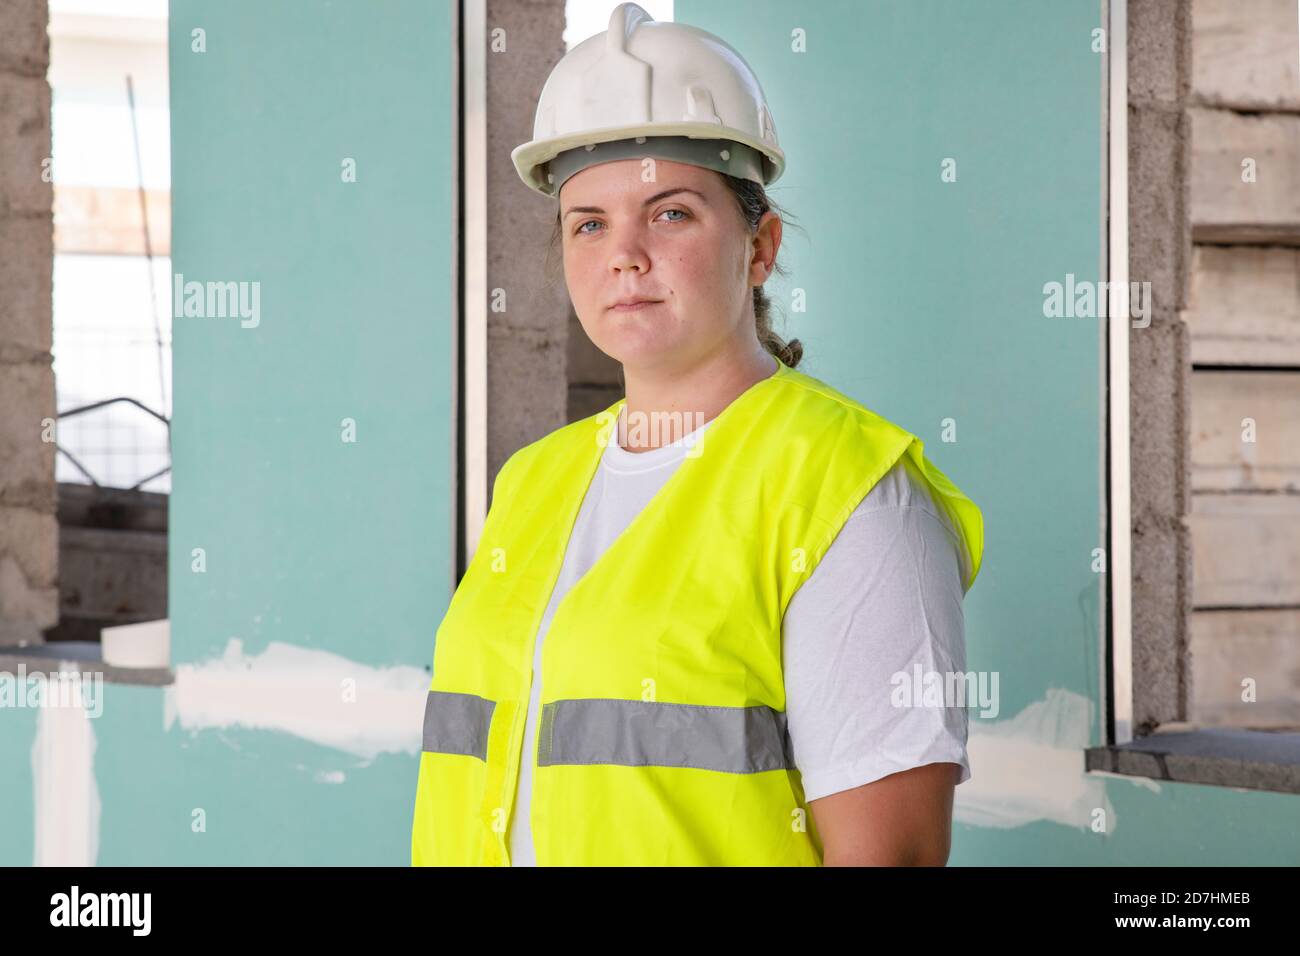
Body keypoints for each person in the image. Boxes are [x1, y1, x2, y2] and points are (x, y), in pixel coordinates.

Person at [411, 2, 983, 867]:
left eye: (671, 213)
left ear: (760, 247)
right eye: (589, 222)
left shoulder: (846, 488)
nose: (624, 254)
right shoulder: (533, 481)